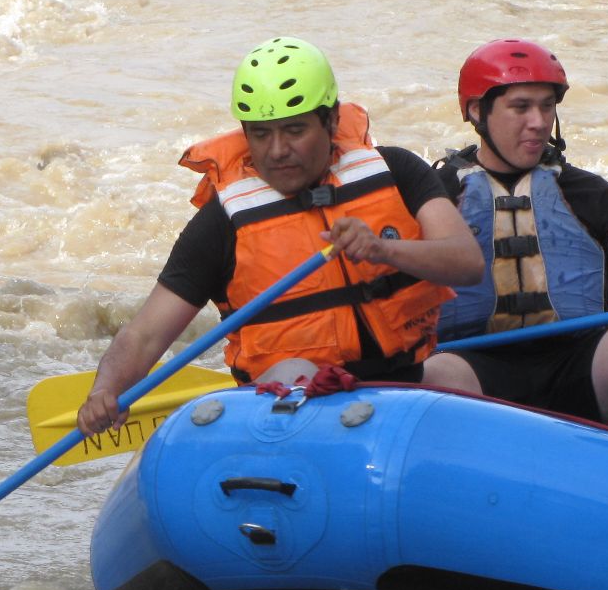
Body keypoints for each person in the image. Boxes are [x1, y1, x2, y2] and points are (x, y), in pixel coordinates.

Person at [78, 38, 485, 436]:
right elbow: (145, 333)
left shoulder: (396, 171)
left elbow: (466, 263)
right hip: (293, 405)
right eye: (260, 134)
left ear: (330, 121)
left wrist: (383, 249)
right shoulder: (223, 222)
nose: (276, 150)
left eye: (294, 130)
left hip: (397, 383)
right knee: (297, 372)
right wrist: (106, 389)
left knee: (455, 372)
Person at [421, 38, 608, 435]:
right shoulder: (435, 197)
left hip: (579, 363)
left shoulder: (591, 194)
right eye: (520, 106)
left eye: (546, 105)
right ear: (476, 111)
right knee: (434, 373)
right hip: (475, 365)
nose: (538, 121)